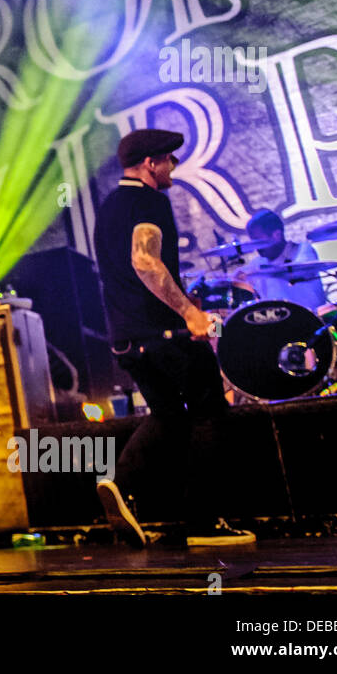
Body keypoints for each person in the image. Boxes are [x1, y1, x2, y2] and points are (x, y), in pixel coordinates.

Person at [91, 129, 255, 547]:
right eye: (169, 160)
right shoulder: (148, 200)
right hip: (165, 335)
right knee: (210, 411)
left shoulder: (109, 206)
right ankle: (203, 523)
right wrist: (189, 312)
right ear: (151, 163)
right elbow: (144, 260)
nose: (173, 168)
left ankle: (120, 481)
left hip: (127, 340)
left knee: (167, 413)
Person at [239, 208, 329, 311]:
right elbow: (236, 278)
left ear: (277, 235)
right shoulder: (259, 262)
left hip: (311, 320)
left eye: (258, 241)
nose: (255, 247)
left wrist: (258, 273)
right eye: (253, 241)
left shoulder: (303, 250)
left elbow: (299, 273)